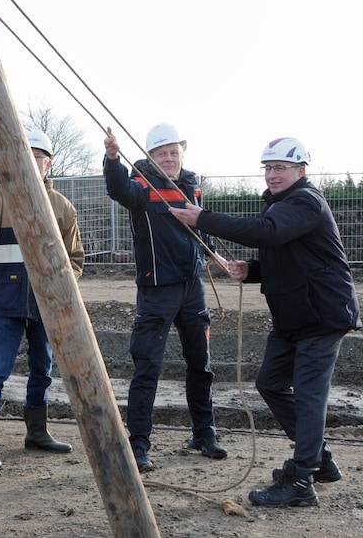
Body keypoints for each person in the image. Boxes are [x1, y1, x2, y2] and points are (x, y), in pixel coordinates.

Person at [169, 137, 360, 507]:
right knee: (270, 383)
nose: (272, 175)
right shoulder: (283, 204)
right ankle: (319, 460)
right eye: (269, 168)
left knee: (308, 397)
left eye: (280, 168)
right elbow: (286, 251)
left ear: (300, 171)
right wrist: (252, 270)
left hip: (322, 315)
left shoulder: (305, 200)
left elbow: (268, 232)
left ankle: (302, 481)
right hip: (294, 316)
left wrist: (202, 218)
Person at [0, 129, 83, 469]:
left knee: (43, 370)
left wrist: (61, 292)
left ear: (47, 164)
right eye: (24, 155)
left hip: (46, 305)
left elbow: (75, 260)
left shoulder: (62, 207)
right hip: (6, 300)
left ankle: (36, 433)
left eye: (37, 157)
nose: (30, 163)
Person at [103, 123, 227, 472]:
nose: (170, 158)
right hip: (156, 290)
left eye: (174, 152)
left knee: (200, 366)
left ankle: (204, 433)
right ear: (151, 158)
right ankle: (138, 445)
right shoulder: (140, 186)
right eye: (162, 154)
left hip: (192, 289)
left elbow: (197, 226)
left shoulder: (191, 185)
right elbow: (116, 188)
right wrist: (112, 157)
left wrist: (211, 253)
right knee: (148, 369)